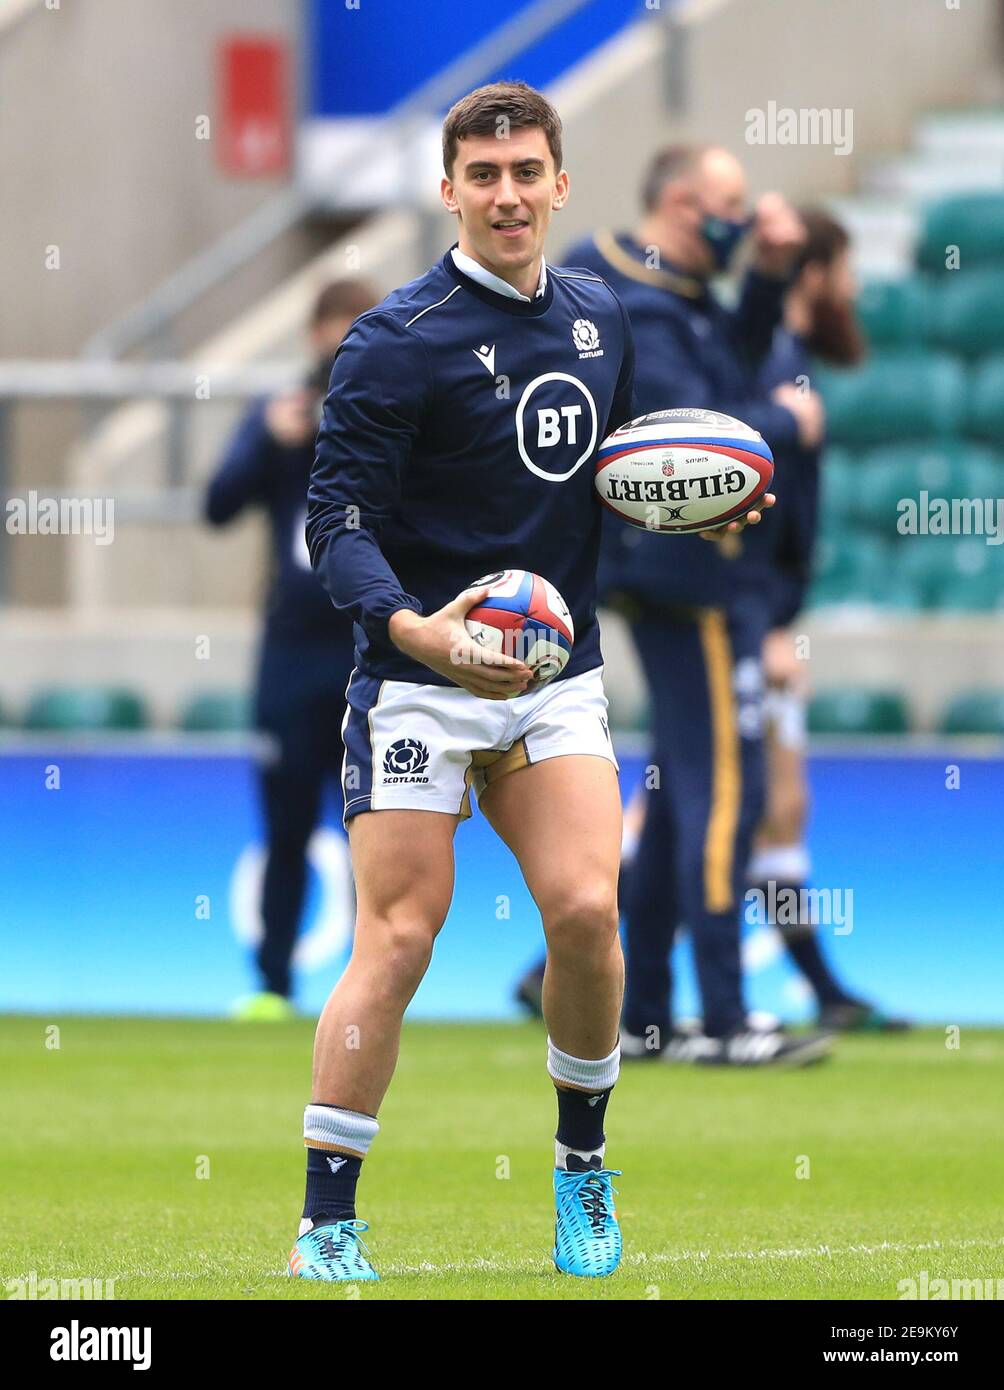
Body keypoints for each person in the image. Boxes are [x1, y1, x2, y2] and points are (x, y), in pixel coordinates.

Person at [287, 86, 771, 1283]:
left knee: (588, 912)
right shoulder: (393, 341)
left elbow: (626, 469)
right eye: (482, 172)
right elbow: (335, 521)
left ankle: (582, 1173)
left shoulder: (604, 319)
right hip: (417, 676)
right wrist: (419, 629)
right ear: (448, 189)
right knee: (399, 937)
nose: (506, 192)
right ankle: (328, 1220)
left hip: (553, 679)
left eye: (526, 171)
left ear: (560, 185)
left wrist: (713, 499)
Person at [563, 145, 829, 1067]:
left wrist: (767, 276)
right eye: (728, 205)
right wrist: (791, 421)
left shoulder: (677, 286)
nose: (743, 218)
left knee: (679, 797)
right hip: (695, 580)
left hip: (686, 578)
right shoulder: (629, 291)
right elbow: (686, 439)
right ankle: (723, 1018)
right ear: (678, 203)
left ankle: (643, 1016)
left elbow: (731, 359)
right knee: (727, 789)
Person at [751, 209, 908, 1032]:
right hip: (752, 624)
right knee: (751, 804)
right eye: (842, 268)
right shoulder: (779, 361)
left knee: (766, 807)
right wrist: (766, 624)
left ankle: (825, 991)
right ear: (814, 274)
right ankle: (821, 993)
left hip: (763, 619)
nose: (851, 288)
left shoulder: (792, 358)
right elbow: (752, 500)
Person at [204, 280, 376, 1019]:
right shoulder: (280, 418)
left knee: (379, 827)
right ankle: (274, 982)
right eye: (330, 341)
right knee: (285, 827)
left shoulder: (387, 419)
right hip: (290, 655)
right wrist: (272, 442)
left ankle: (373, 987)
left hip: (371, 648)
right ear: (310, 339)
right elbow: (215, 505)